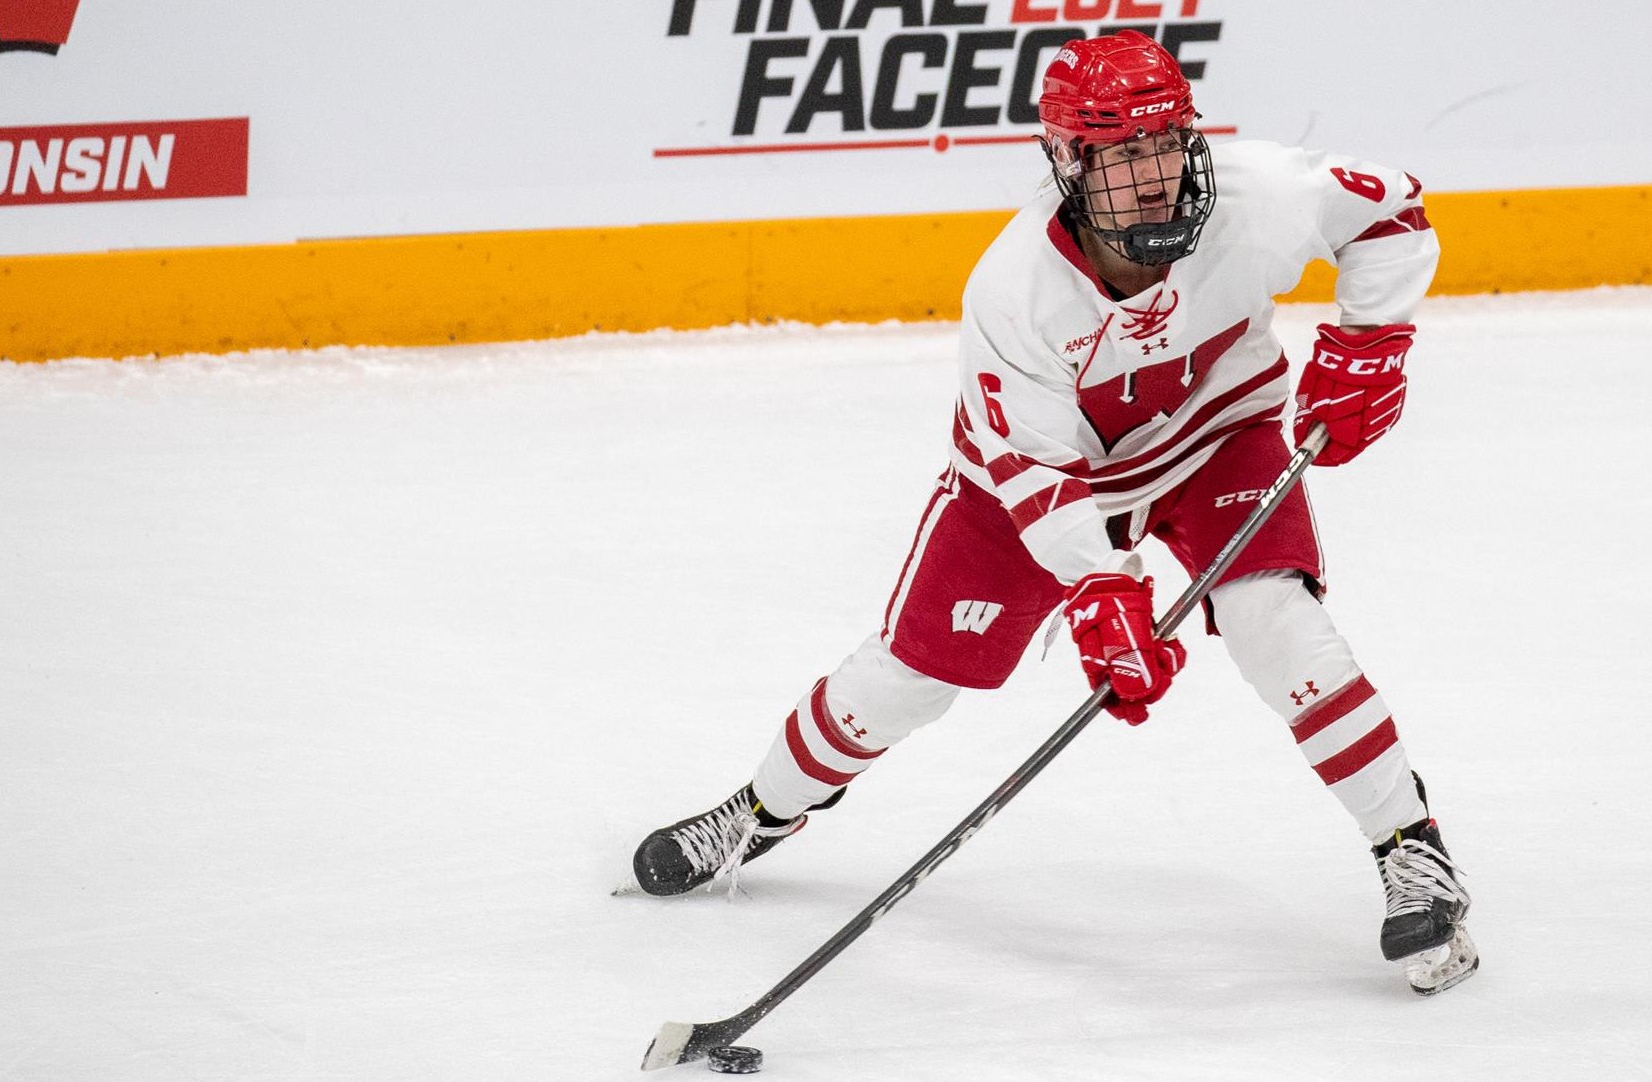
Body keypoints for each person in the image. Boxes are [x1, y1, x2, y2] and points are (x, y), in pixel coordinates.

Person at [628, 30, 1475, 996]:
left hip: (1215, 437)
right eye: (1124, 155)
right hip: (1039, 485)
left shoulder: (1260, 195)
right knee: (905, 680)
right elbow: (1034, 472)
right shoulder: (1013, 291)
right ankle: (757, 810)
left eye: (1167, 143)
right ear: (1069, 162)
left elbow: (1395, 209)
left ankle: (1414, 853)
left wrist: (1372, 343)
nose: (1156, 175)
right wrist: (1102, 587)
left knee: (1278, 624)